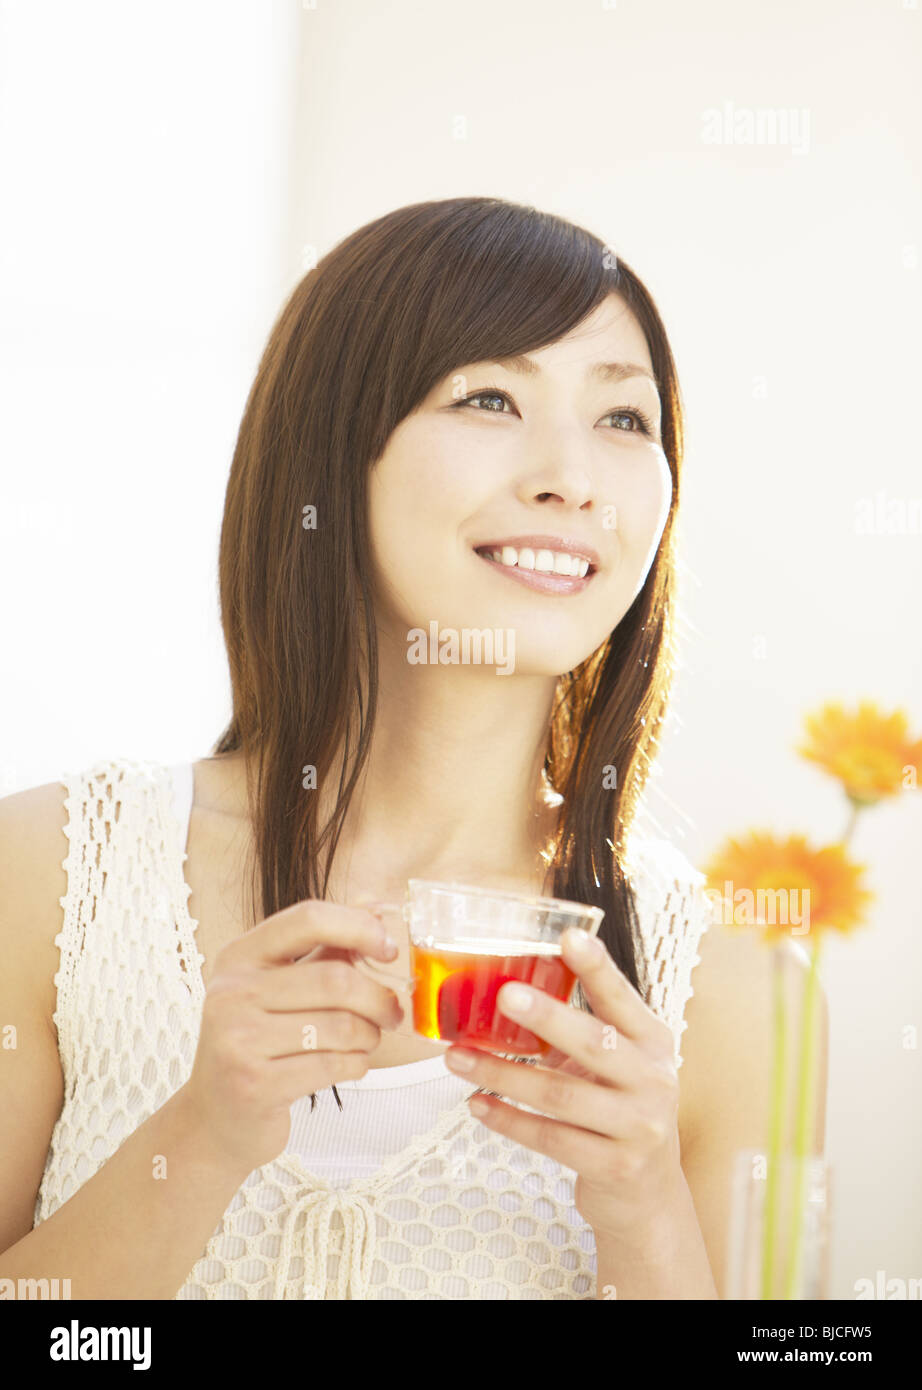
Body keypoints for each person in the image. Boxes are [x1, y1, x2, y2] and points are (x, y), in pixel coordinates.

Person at [0, 196, 827, 1300]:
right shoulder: (54, 876)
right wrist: (197, 1139)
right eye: (489, 396)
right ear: (332, 453)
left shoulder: (738, 993)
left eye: (624, 420)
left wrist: (646, 1219)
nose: (573, 478)